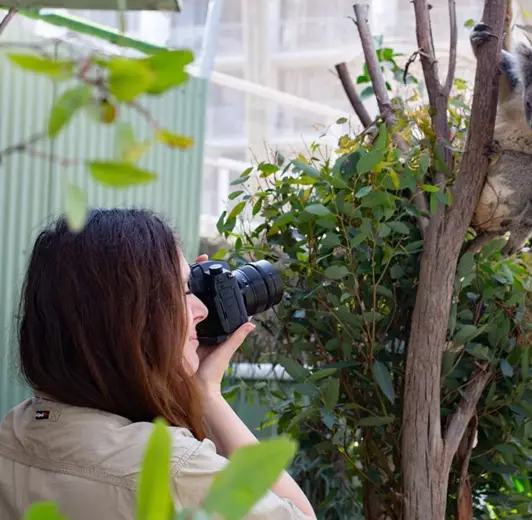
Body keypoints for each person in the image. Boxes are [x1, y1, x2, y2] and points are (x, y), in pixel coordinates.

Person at [0, 208, 317, 520]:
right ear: (130, 321)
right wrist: (208, 395)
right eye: (181, 290)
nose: (201, 310)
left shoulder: (12, 433)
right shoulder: (171, 469)